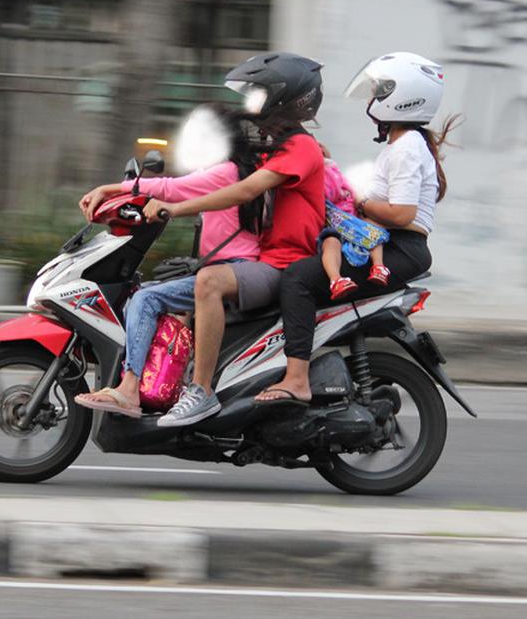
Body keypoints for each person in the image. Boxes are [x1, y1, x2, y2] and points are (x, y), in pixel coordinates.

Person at [256, 52, 461, 404]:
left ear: (403, 96)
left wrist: (362, 204)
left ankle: (296, 378)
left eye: (380, 91)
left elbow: (400, 212)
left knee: (299, 279)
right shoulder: (405, 144)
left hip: (398, 246)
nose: (372, 99)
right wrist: (328, 162)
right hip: (389, 243)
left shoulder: (408, 146)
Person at [144, 52, 327, 427]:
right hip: (268, 259)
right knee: (177, 282)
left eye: (260, 93)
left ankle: (202, 393)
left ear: (284, 97)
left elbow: (245, 191)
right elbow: (211, 182)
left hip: (284, 265)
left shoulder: (300, 148)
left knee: (209, 282)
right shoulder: (280, 148)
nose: (253, 103)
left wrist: (176, 209)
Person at [72, 107, 264, 417]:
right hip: (226, 267)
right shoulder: (231, 172)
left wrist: (107, 189)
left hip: (233, 268)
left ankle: (130, 388)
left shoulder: (225, 172)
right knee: (144, 292)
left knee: (146, 299)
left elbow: (171, 189)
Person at [318, 150, 391, 300]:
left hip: (352, 222)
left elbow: (346, 192)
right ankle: (336, 280)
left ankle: (379, 267)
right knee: (331, 242)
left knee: (372, 228)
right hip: (334, 226)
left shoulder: (333, 174)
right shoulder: (322, 177)